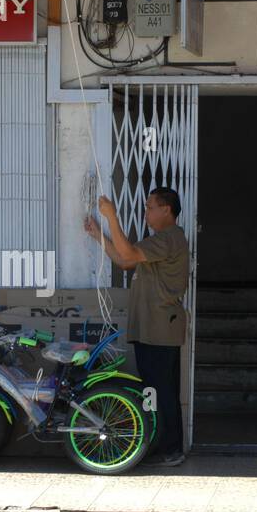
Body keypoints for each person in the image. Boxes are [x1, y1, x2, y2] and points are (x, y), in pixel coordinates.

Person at [84, 187, 189, 466]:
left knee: (161, 390)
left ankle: (172, 449)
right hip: (150, 327)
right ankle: (160, 444)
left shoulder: (170, 238)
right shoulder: (159, 241)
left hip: (160, 329)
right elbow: (124, 259)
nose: (145, 212)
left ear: (166, 209)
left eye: (149, 207)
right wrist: (98, 235)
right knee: (153, 389)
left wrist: (112, 218)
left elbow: (128, 255)